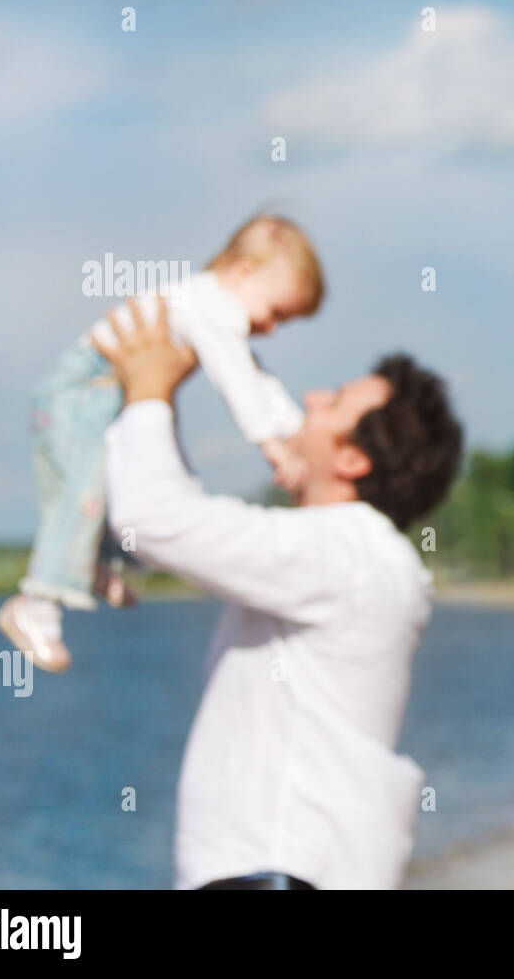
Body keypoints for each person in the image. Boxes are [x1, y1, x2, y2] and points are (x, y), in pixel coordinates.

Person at [92, 295, 462, 890]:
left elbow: (154, 521)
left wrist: (148, 389)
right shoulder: (359, 555)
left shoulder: (344, 551)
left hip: (274, 874)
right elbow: (179, 523)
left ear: (351, 457)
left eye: (334, 402)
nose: (312, 398)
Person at [0, 214, 325, 672]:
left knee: (118, 482)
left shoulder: (210, 307)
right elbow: (238, 382)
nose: (270, 328)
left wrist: (297, 429)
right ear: (244, 272)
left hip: (105, 392)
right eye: (274, 313)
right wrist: (275, 446)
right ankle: (36, 604)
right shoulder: (211, 305)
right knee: (82, 496)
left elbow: (254, 376)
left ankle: (90, 562)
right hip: (81, 391)